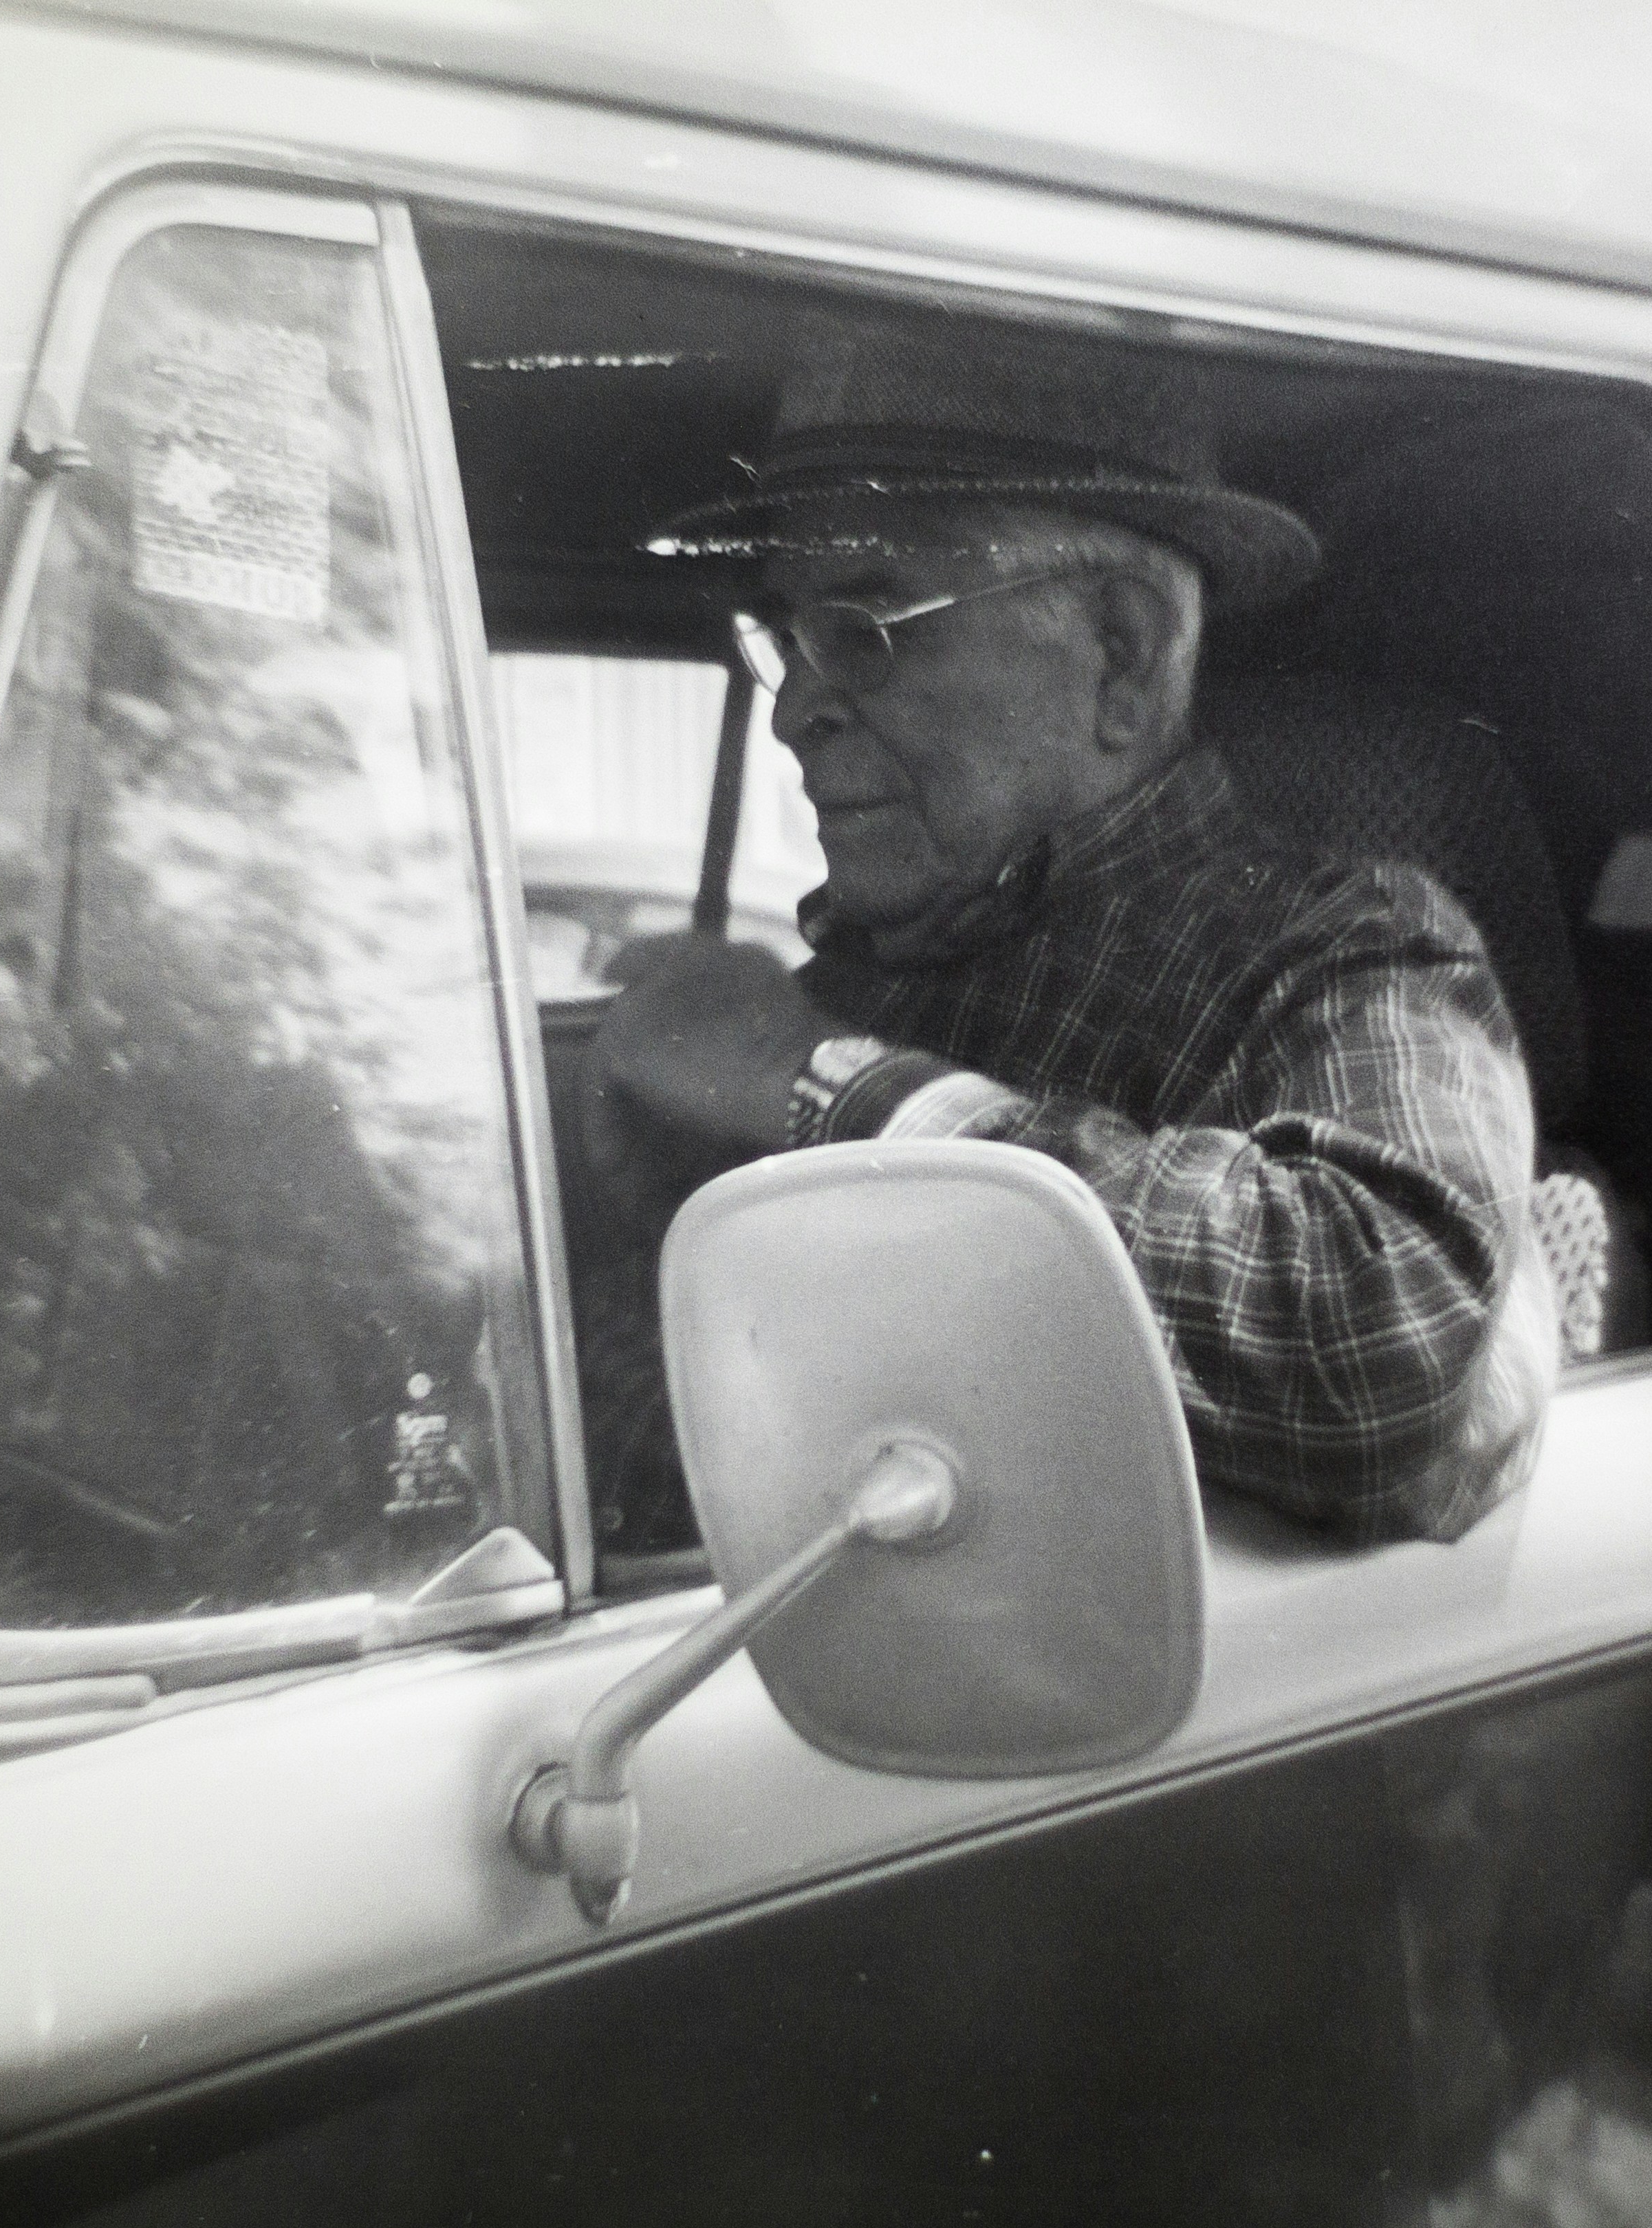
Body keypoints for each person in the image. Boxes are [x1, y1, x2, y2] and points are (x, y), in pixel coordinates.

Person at [585, 330, 1556, 1545]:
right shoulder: (853, 985)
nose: (793, 709)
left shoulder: (1345, 952)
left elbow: (1386, 1345)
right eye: (788, 636)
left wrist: (818, 1086)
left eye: (870, 628)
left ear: (1121, 655)